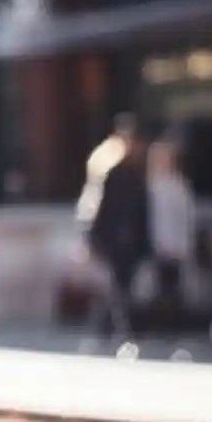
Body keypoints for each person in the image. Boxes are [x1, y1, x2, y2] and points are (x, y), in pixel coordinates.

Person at [78, 114, 152, 338]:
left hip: (130, 240)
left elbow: (142, 211)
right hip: (113, 239)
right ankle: (118, 326)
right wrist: (95, 238)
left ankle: (109, 324)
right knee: (117, 284)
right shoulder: (112, 172)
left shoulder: (138, 172)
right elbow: (102, 208)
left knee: (121, 284)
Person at [145, 135, 196, 326]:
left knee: (170, 288)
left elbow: (184, 220)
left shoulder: (177, 187)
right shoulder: (152, 185)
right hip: (155, 246)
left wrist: (181, 246)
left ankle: (172, 322)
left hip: (172, 248)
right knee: (158, 288)